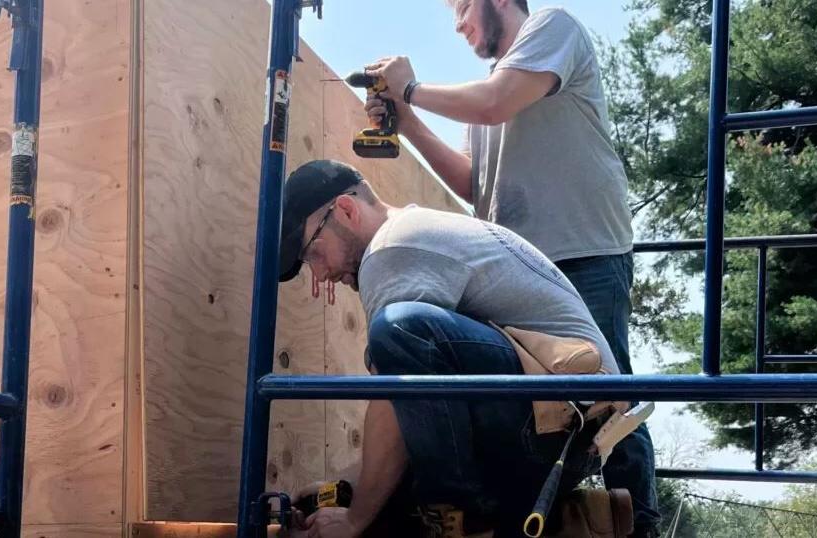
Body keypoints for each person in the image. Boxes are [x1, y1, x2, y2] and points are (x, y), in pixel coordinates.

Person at [362, 1, 660, 535]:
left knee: (608, 394)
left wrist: (411, 90)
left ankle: (642, 524)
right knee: (536, 410)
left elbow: (496, 103)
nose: (457, 24)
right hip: (517, 273)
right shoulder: (489, 89)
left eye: (461, 7)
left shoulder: (554, 29)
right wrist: (407, 122)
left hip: (580, 251)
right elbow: (473, 181)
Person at [278, 160, 622, 538]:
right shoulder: (418, 230)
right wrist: (344, 489)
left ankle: (465, 517)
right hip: (563, 427)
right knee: (383, 491)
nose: (320, 274)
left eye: (312, 251)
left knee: (400, 328)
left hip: (556, 424)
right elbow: (413, 411)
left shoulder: (390, 248)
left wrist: (355, 517)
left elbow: (393, 396)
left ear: (345, 210)